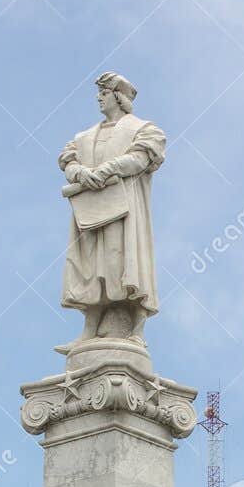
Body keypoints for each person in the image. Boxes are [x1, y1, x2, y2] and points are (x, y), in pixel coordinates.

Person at [59, 73, 164, 344]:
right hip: (91, 209)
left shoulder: (143, 129)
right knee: (92, 264)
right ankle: (90, 327)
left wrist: (107, 169)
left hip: (125, 209)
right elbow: (67, 160)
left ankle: (136, 331)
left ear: (118, 96)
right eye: (99, 93)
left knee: (126, 260)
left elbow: (140, 159)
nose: (98, 97)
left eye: (104, 93)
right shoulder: (84, 137)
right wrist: (80, 173)